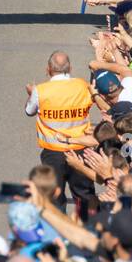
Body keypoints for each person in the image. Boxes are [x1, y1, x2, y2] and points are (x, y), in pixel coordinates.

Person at [24, 51, 95, 208]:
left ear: (48, 69)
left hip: (53, 152)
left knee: (54, 198)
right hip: (81, 149)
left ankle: (59, 230)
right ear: (70, 68)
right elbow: (94, 102)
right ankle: (88, 229)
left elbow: (29, 111)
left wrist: (31, 94)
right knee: (85, 196)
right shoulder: (82, 86)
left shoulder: (41, 90)